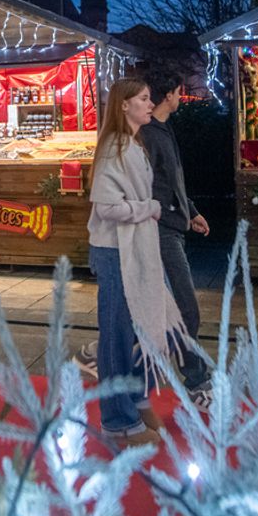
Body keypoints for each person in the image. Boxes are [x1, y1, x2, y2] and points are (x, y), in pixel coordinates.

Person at [87, 78, 191, 450]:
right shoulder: (114, 148)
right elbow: (107, 206)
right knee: (116, 336)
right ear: (124, 105)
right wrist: (150, 208)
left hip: (133, 249)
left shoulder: (132, 144)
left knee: (140, 328)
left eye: (151, 97)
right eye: (144, 99)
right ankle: (117, 420)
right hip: (115, 251)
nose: (151, 104)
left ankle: (135, 397)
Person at [139, 73, 213, 407]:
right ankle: (197, 382)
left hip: (171, 225)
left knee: (172, 310)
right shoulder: (148, 135)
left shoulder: (163, 130)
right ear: (168, 95)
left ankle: (184, 377)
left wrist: (191, 212)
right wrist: (166, 212)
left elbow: (173, 180)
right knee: (186, 309)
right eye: (179, 92)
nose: (182, 97)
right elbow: (147, 185)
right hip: (159, 230)